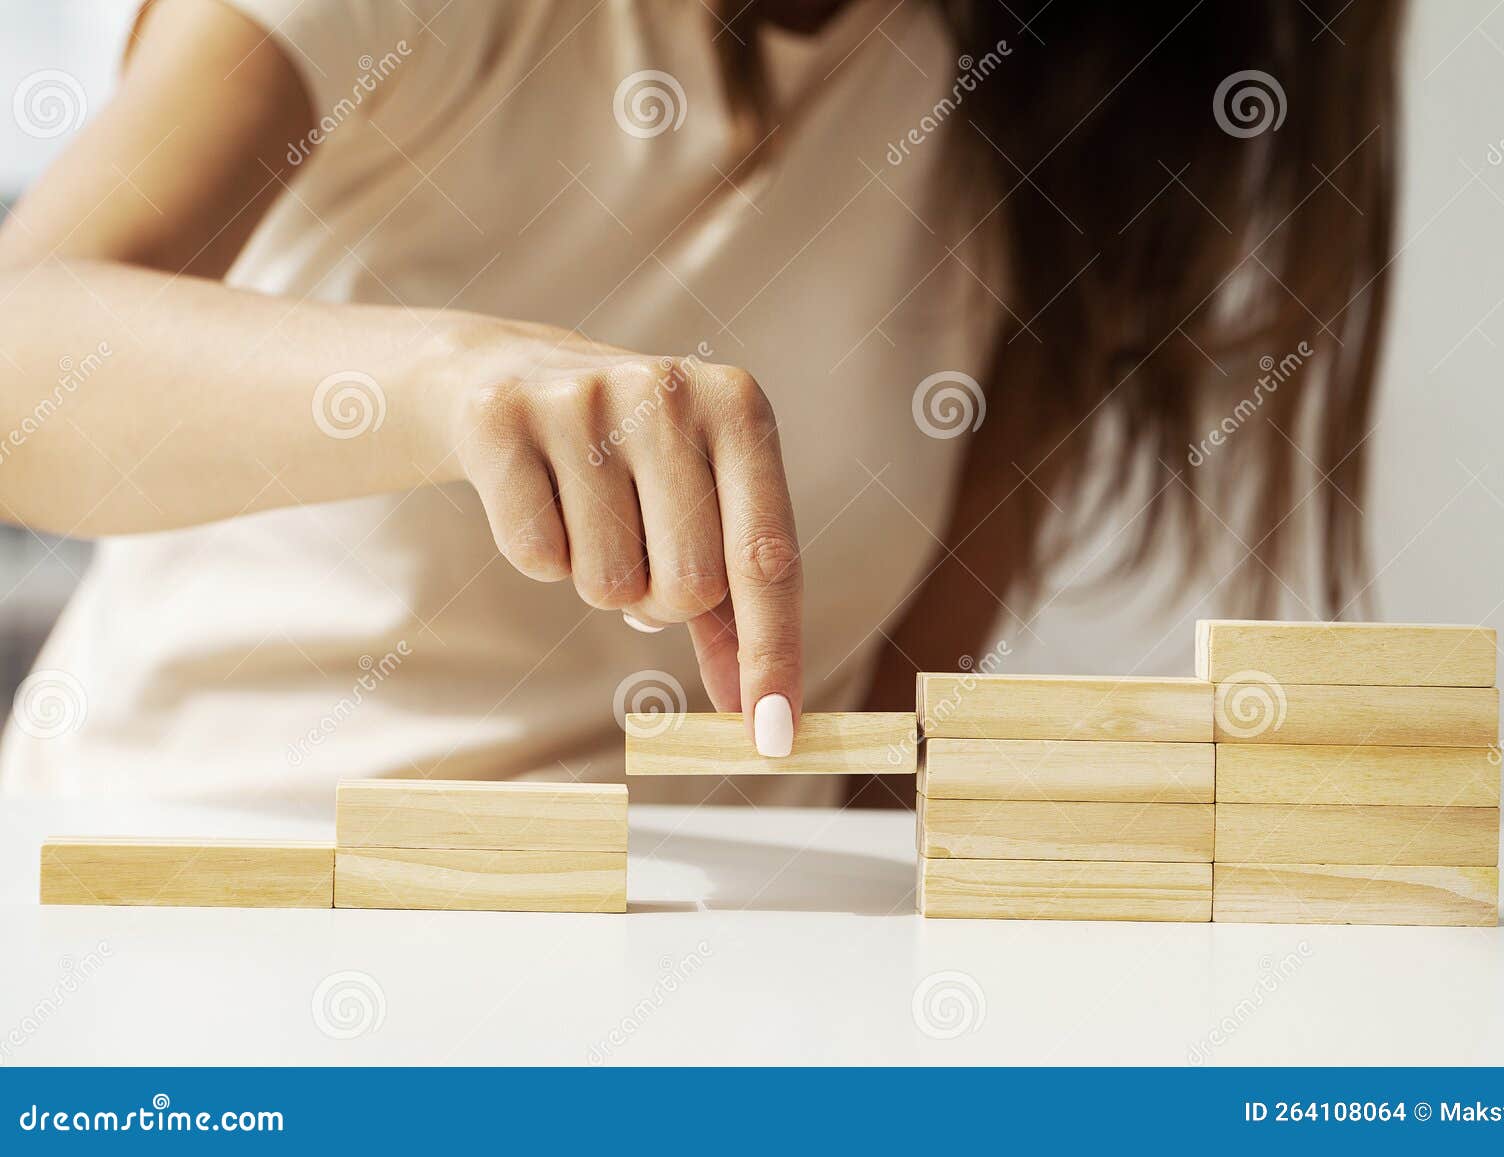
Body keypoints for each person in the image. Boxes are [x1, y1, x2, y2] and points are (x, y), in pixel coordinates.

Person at [0, 0, 1401, 807]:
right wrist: (449, 384)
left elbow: (889, 750)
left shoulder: (1075, 107)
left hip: (708, 994)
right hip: (191, 913)